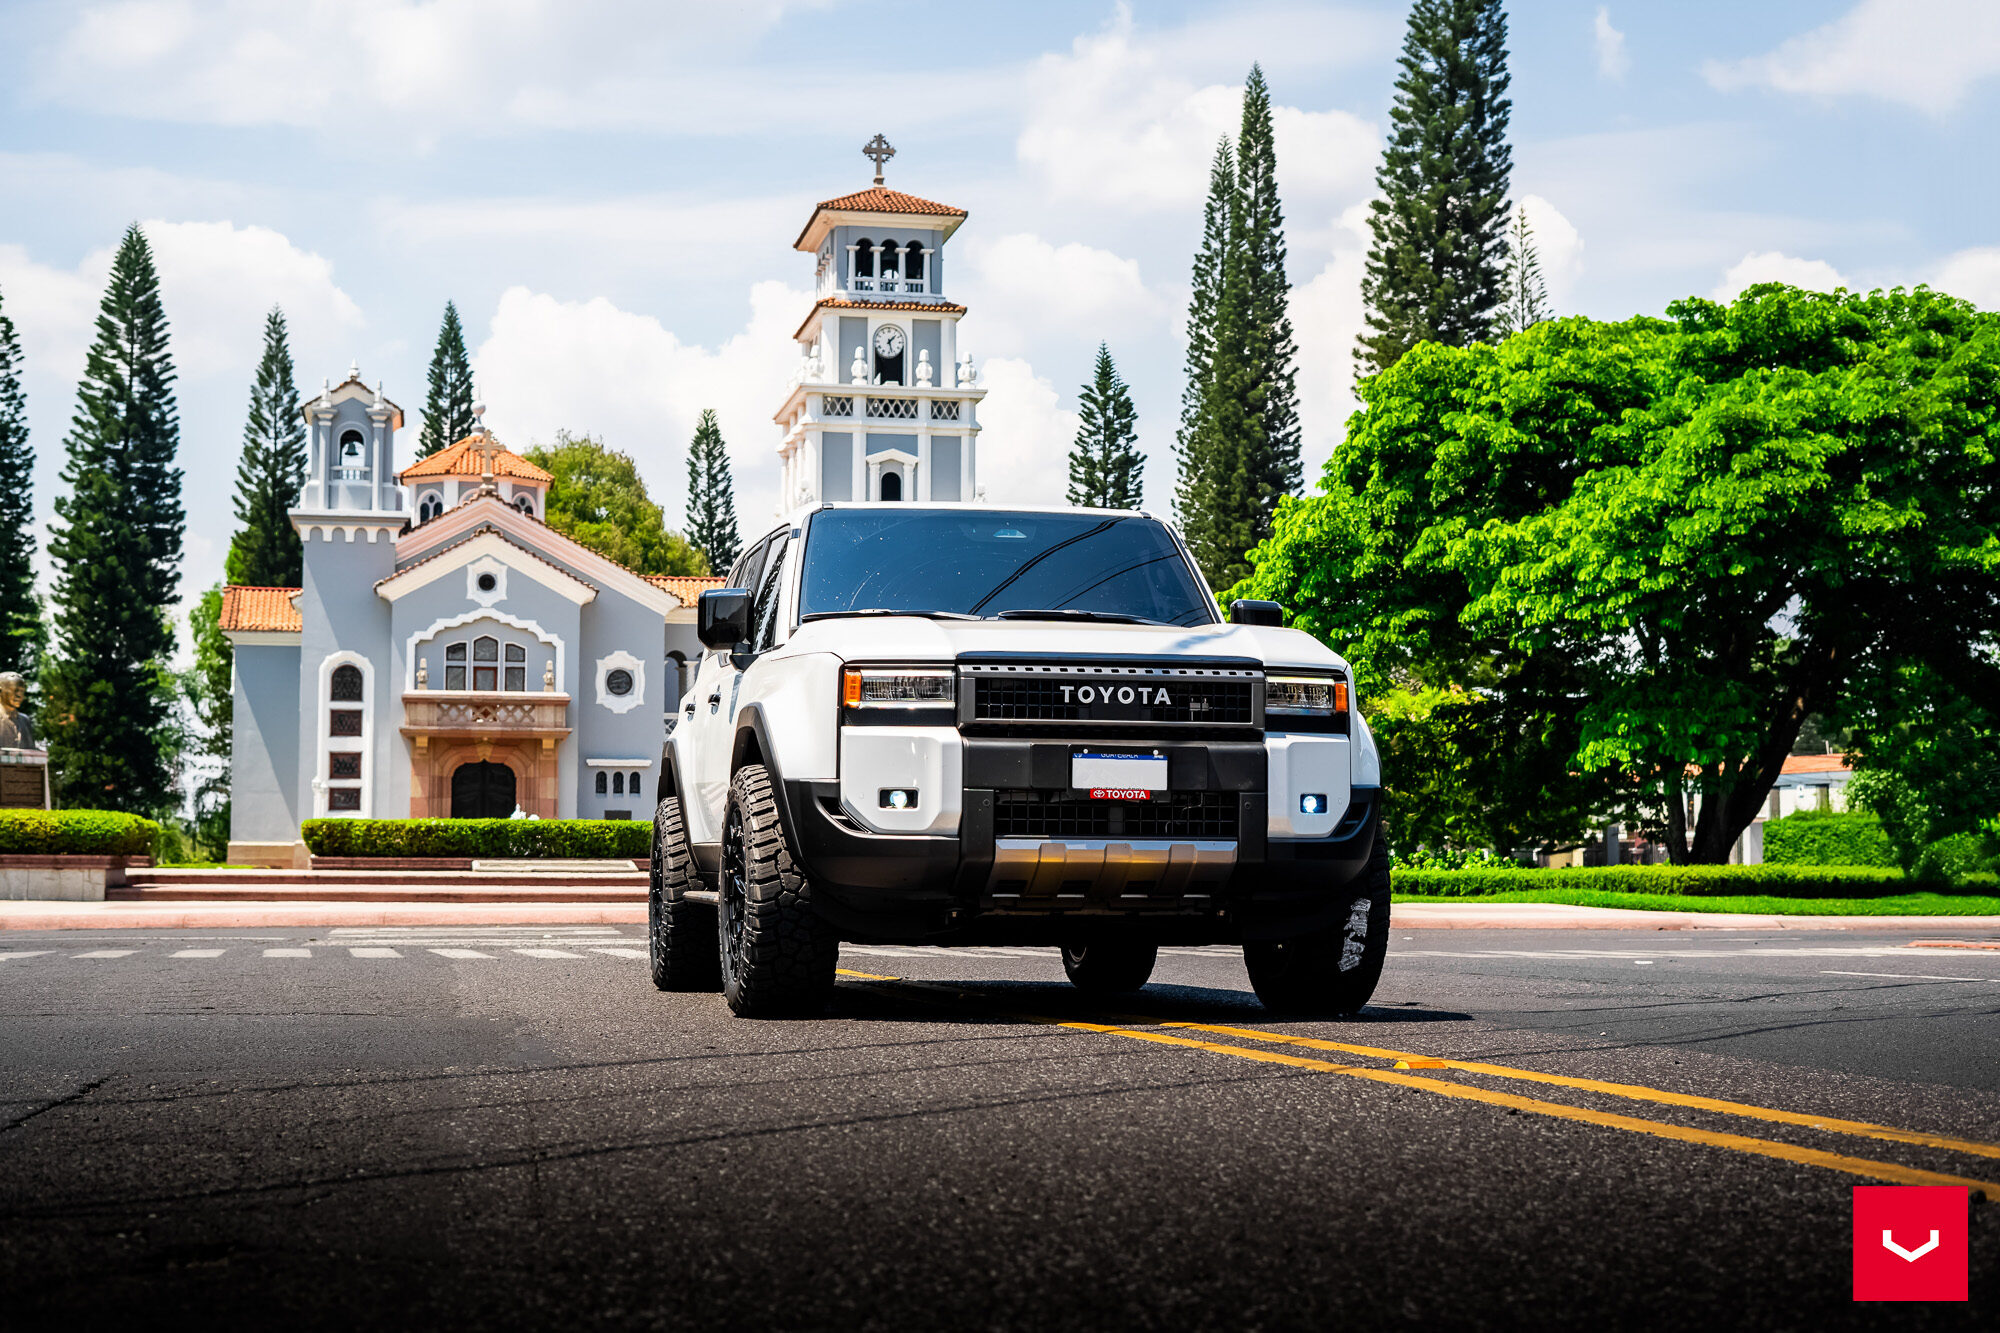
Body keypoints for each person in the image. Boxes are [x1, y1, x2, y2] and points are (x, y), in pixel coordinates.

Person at [0, 672, 37, 750]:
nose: (19, 695)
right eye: (15, 690)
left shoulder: (25, 720)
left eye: (22, 691)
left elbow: (31, 750)